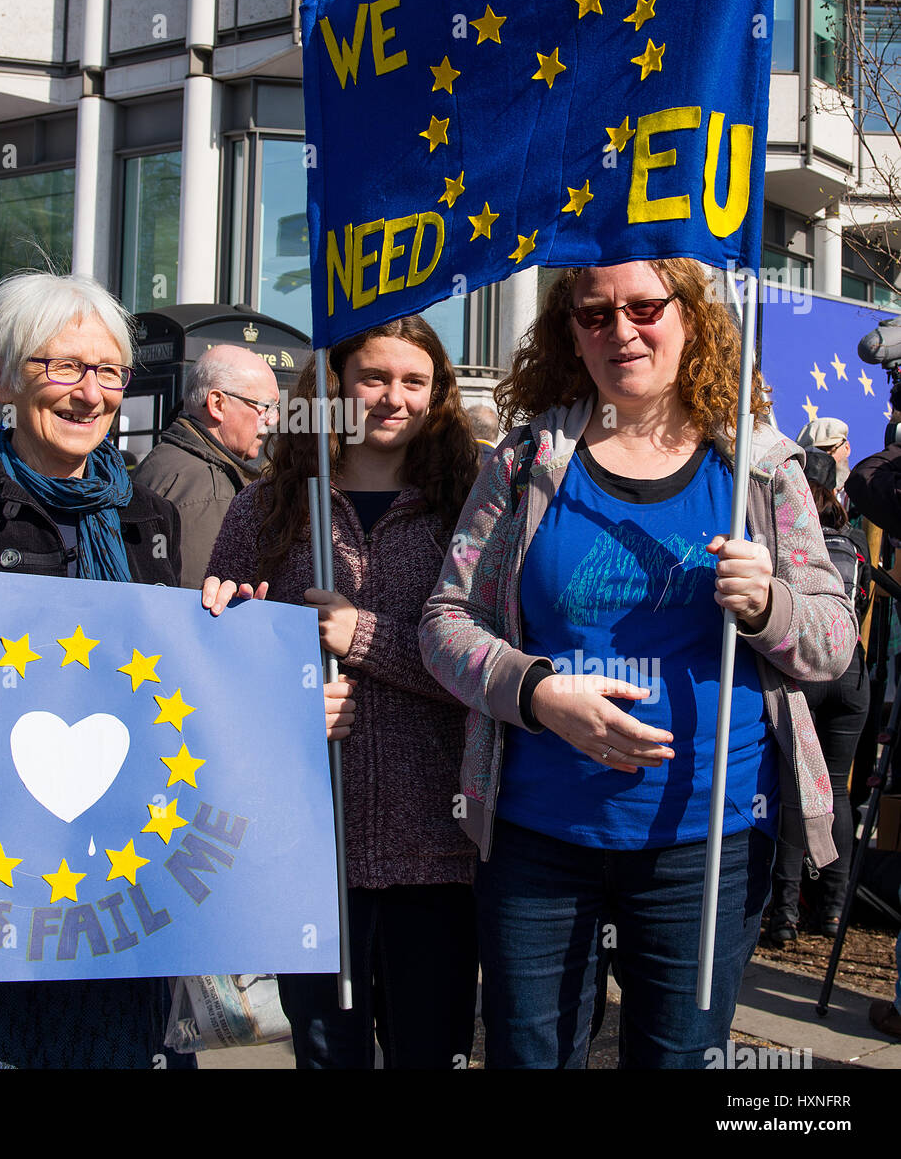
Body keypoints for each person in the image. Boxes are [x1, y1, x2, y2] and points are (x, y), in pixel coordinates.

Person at [0, 272, 346, 1069]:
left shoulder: (147, 516)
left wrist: (234, 645)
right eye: (65, 368)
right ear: (3, 374)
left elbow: (167, 702)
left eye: (109, 371)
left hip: (118, 899)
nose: (91, 395)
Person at [419, 259, 855, 1070]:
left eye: (645, 308)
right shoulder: (523, 465)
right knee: (529, 1058)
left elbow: (832, 642)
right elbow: (445, 623)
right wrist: (538, 694)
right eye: (594, 314)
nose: (621, 330)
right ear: (569, 333)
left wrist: (768, 607)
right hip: (538, 837)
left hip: (707, 843)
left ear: (689, 319)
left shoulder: (758, 467)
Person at [206, 315, 481, 1069]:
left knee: (432, 1053)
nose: (392, 398)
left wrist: (360, 634)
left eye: (413, 381)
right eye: (372, 378)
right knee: (328, 1061)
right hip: (309, 851)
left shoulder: (466, 513)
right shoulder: (263, 510)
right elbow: (215, 671)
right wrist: (281, 695)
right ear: (332, 388)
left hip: (438, 851)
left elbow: (486, 670)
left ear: (437, 395)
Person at [766, 448, 870, 942]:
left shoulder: (789, 539)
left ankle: (783, 912)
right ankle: (831, 909)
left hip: (808, 669)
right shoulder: (854, 547)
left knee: (796, 788)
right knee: (837, 788)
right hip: (852, 674)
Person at [136, 345, 279, 587]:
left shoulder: (163, 458)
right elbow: (203, 603)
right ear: (217, 404)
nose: (273, 420)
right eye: (265, 407)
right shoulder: (211, 491)